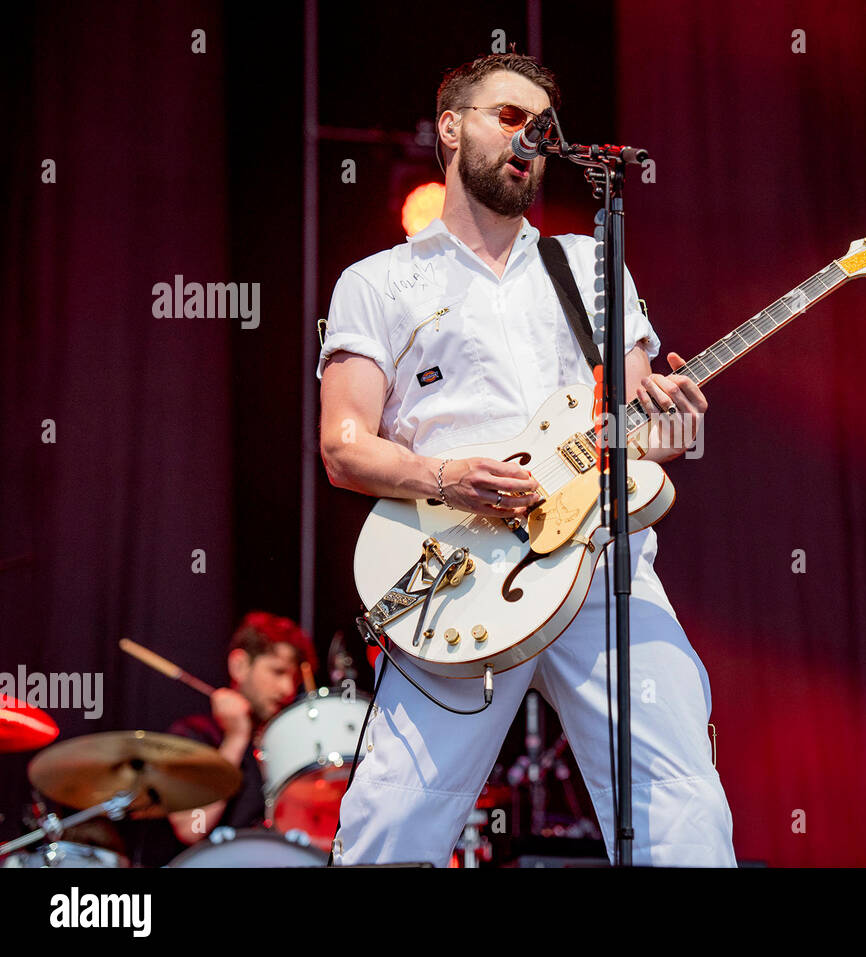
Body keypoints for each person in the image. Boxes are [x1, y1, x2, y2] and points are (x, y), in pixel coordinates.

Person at [318, 52, 735, 867]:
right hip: (464, 573)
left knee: (683, 810)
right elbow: (344, 447)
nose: (528, 139)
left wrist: (672, 432)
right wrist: (446, 474)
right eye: (508, 118)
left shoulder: (588, 262)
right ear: (449, 127)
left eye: (542, 129)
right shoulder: (379, 282)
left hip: (601, 568)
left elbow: (638, 426)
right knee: (393, 824)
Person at [165, 611, 316, 847]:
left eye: (295, 679)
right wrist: (236, 738)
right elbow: (191, 827)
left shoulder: (287, 743)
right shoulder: (195, 734)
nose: (287, 689)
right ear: (240, 665)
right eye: (278, 671)